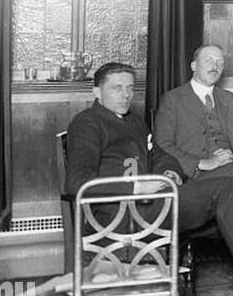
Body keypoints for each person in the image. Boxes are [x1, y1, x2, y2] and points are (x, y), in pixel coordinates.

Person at [151, 44, 233, 281]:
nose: (215, 66)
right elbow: (162, 145)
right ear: (193, 66)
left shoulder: (230, 99)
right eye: (209, 60)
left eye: (220, 62)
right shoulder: (173, 100)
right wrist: (201, 163)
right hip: (196, 179)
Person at [65, 62, 185, 214]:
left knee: (219, 196)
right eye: (117, 88)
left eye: (130, 88)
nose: (126, 94)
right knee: (219, 194)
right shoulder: (87, 123)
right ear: (97, 92)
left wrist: (170, 173)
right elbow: (77, 183)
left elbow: (159, 156)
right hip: (118, 213)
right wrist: (138, 187)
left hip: (150, 201)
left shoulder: (134, 121)